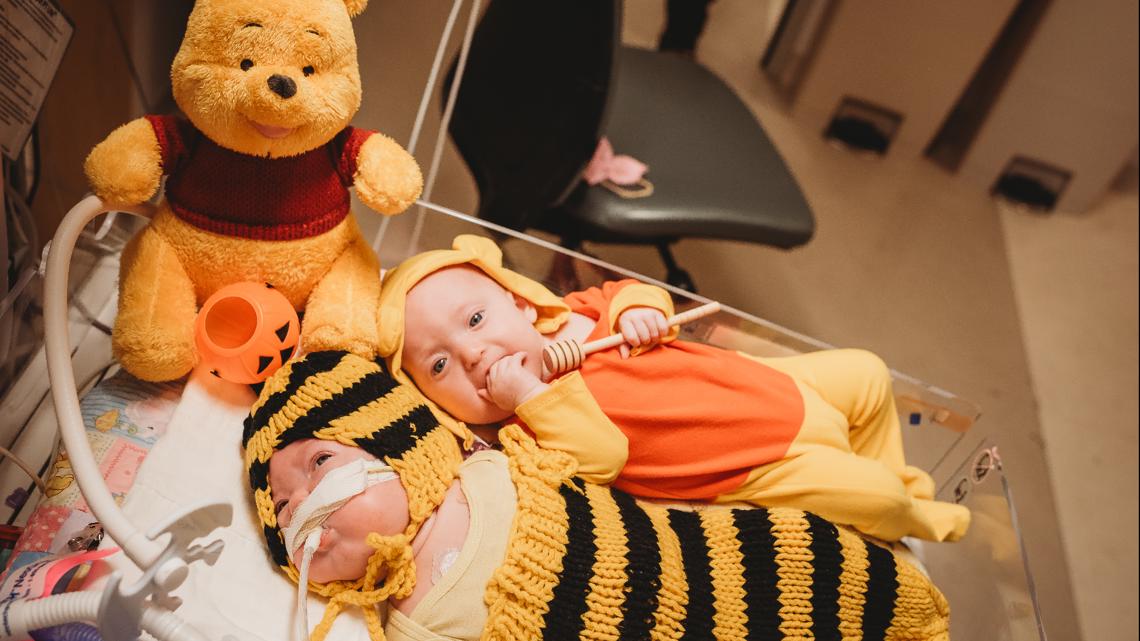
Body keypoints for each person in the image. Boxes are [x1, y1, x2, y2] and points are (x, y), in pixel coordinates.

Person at [243, 350, 952, 641]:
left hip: (709, 557)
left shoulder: (491, 465)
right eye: (280, 512)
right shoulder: (406, 621)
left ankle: (892, 578)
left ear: (393, 441)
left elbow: (600, 454)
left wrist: (531, 393)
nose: (305, 506)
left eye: (319, 461)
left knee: (806, 563)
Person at [376, 234, 970, 544]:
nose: (474, 353)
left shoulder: (572, 317)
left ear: (517, 300)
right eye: (439, 366)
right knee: (879, 497)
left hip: (764, 384)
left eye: (476, 321)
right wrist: (530, 393)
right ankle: (915, 513)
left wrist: (640, 309)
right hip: (753, 462)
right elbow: (602, 457)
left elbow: (630, 292)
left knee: (867, 372)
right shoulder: (524, 429)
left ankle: (903, 471)